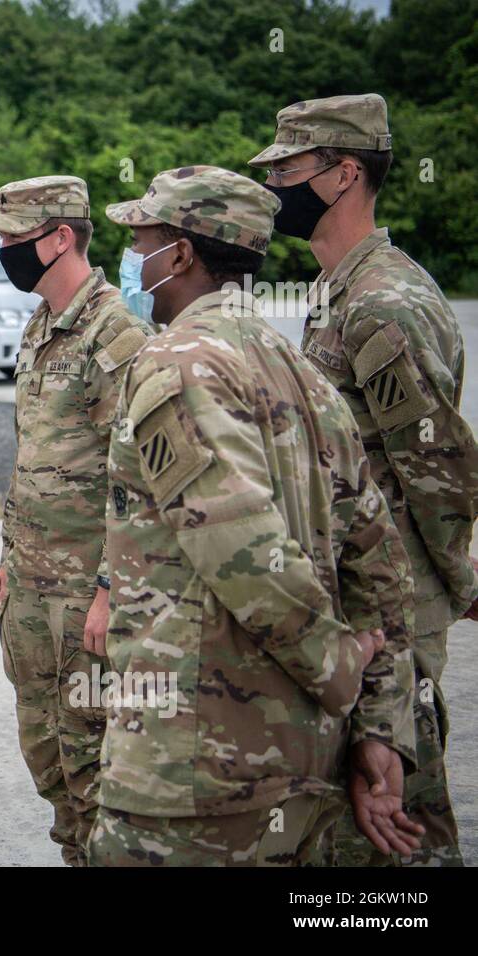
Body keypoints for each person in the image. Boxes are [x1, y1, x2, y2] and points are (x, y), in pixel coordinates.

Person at [90, 164, 421, 866]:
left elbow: (246, 555)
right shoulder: (297, 369)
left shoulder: (180, 362)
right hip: (300, 763)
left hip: (197, 773)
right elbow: (378, 558)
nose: (127, 259)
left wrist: (340, 671)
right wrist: (378, 730)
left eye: (140, 240)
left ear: (180, 254)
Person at [249, 92, 478, 866]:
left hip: (395, 605)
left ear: (346, 173)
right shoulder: (340, 290)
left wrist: (458, 578)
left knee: (395, 824)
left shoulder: (382, 302)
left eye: (288, 169)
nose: (273, 185)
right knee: (351, 819)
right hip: (355, 598)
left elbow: (436, 466)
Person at [0, 176, 150, 865]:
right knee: (44, 746)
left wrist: (111, 590)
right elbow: (39, 456)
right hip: (32, 581)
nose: (7, 252)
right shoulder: (43, 323)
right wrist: (8, 556)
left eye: (16, 239)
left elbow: (134, 477)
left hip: (87, 592)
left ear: (59, 237)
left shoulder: (115, 331)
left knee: (94, 751)